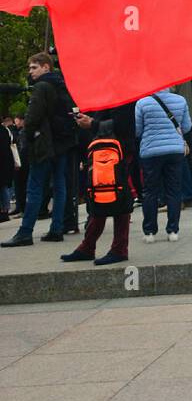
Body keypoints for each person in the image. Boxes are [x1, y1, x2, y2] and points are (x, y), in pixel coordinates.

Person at [1, 53, 77, 247]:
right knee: (59, 186)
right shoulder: (62, 85)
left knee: (34, 187)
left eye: (34, 67)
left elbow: (33, 117)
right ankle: (56, 229)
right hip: (61, 145)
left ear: (46, 67)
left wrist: (26, 138)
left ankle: (25, 232)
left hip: (44, 145)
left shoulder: (42, 87)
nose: (30, 72)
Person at [61, 105, 136, 265]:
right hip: (109, 148)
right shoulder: (113, 91)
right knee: (103, 194)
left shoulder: (121, 93)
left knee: (114, 194)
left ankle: (116, 248)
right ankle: (92, 246)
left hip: (115, 150)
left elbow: (123, 124)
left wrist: (92, 123)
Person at [134, 87, 192, 241]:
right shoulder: (181, 100)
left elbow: (137, 130)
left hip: (150, 151)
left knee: (150, 191)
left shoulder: (142, 103)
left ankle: (149, 232)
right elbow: (186, 126)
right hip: (174, 150)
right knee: (174, 190)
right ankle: (173, 231)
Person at [0, 117, 15, 222]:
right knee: (4, 187)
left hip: (3, 162)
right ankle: (5, 210)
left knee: (3, 188)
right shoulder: (5, 130)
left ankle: (3, 210)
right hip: (6, 161)